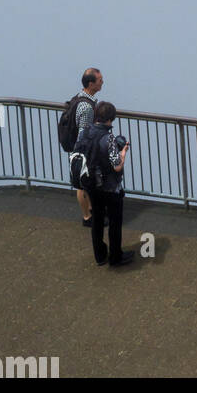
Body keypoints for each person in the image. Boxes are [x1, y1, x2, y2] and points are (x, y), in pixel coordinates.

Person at [81, 101, 134, 268]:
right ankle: (116, 257)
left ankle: (100, 255)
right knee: (114, 222)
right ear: (111, 119)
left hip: (90, 184)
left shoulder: (85, 132)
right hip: (110, 187)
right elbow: (117, 165)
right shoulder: (108, 138)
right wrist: (123, 152)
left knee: (97, 220)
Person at [68, 68, 103, 227]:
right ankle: (87, 217)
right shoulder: (87, 107)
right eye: (100, 80)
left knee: (84, 182)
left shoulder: (79, 98)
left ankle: (90, 210)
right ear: (91, 83)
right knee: (82, 183)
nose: (102, 82)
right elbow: (84, 132)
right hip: (82, 150)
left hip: (77, 149)